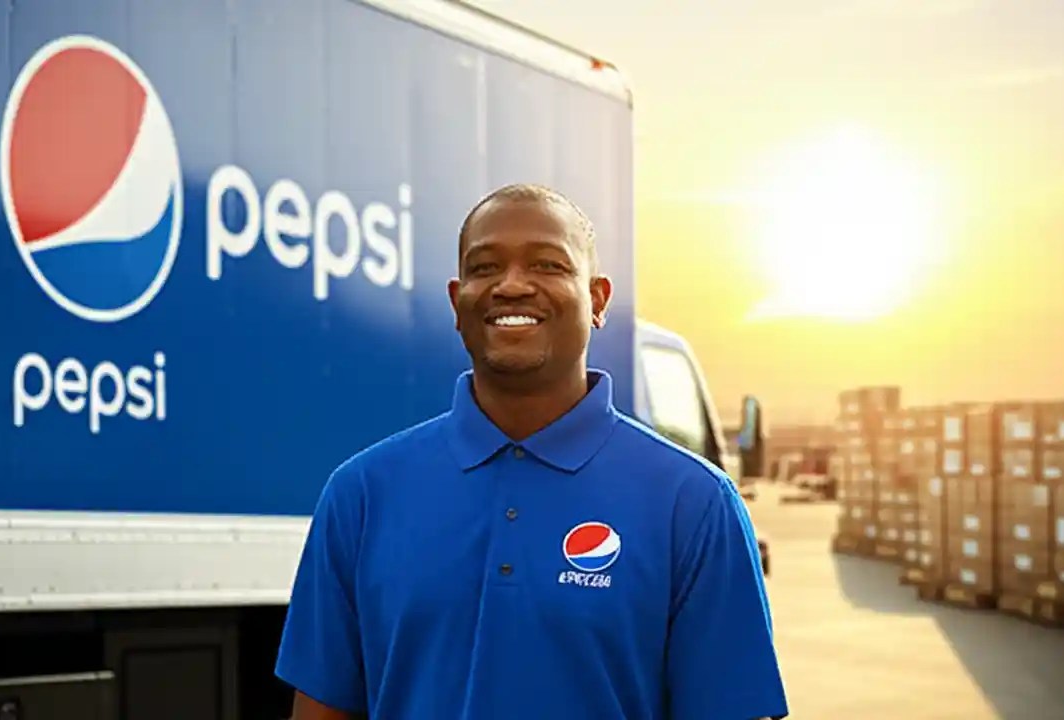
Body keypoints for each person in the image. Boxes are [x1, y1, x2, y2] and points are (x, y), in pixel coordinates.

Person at [274, 183, 789, 720]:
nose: (511, 286)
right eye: (485, 267)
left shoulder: (694, 504)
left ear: (598, 300)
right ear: (457, 301)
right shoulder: (362, 495)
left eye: (547, 265)